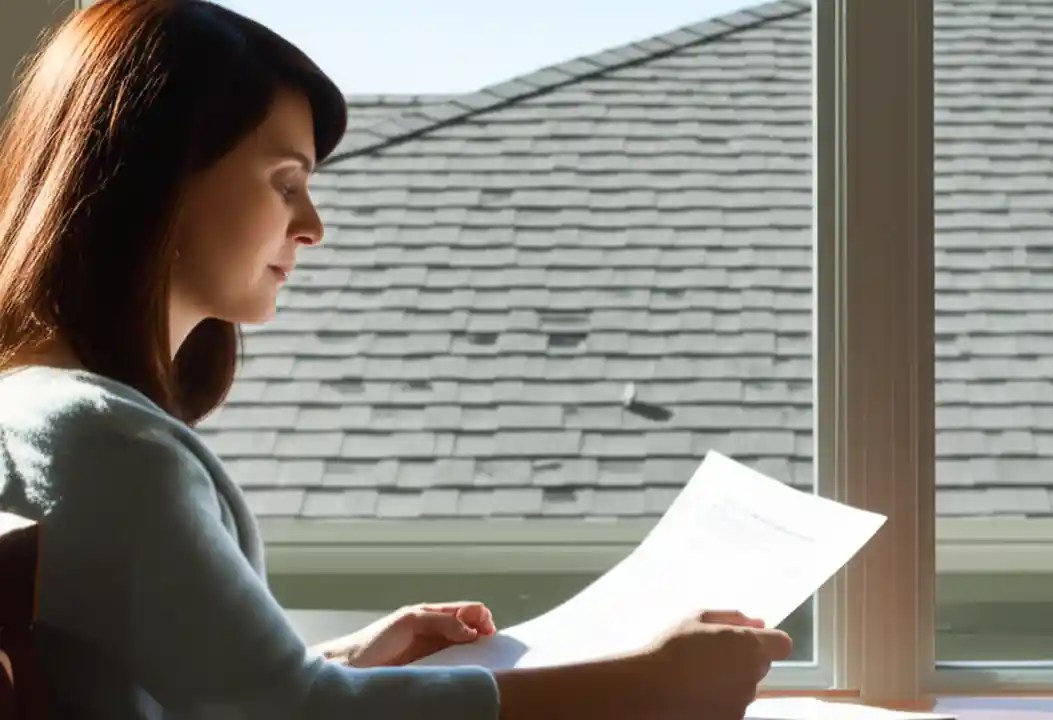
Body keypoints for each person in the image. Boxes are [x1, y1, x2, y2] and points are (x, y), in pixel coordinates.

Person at [0, 1, 792, 718]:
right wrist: (643, 687)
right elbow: (290, 715)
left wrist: (349, 661)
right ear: (160, 177)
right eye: (286, 182)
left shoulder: (36, 415)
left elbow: (210, 697)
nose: (312, 225)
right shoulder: (108, 445)